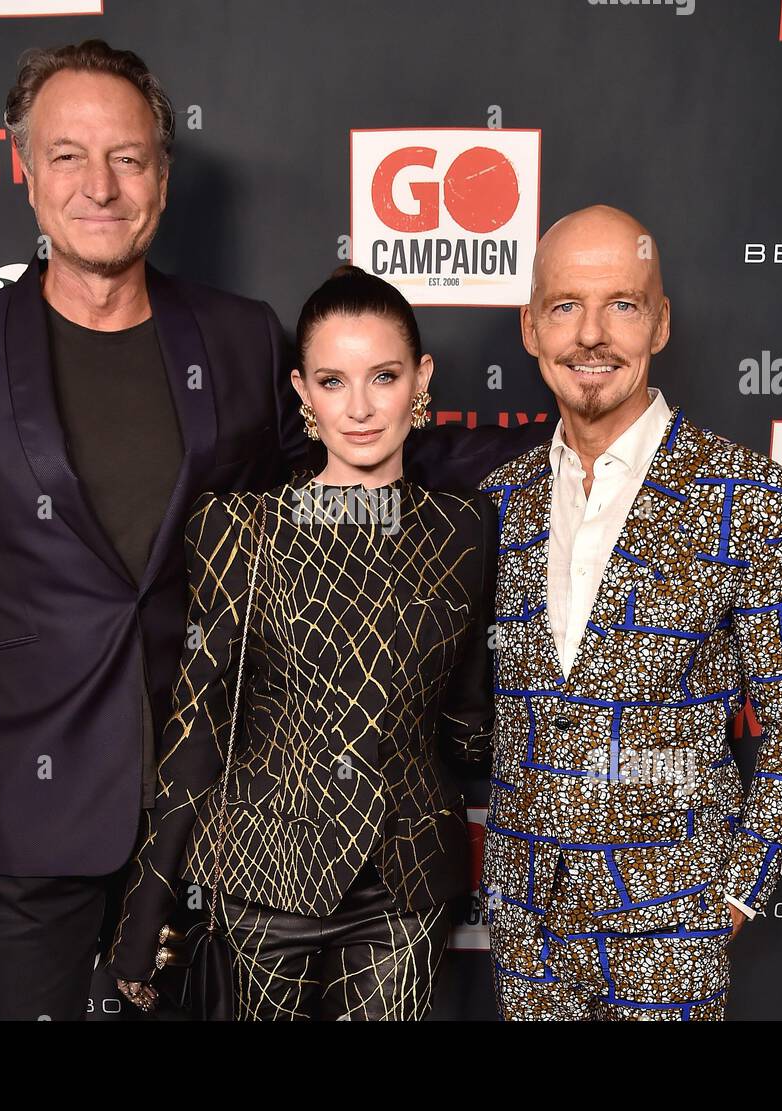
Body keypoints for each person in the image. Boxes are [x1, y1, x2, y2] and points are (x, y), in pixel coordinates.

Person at [0, 41, 549, 1021]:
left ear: (161, 173)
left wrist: (565, 446)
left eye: (128, 157)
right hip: (29, 816)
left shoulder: (236, 338)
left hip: (220, 817)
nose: (100, 186)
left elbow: (347, 457)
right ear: (25, 173)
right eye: (68, 155)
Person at [106, 266, 498, 1020]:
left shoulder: (464, 529)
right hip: (261, 876)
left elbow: (465, 714)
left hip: (406, 882)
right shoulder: (236, 528)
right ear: (301, 390)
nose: (358, 408)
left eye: (382, 377)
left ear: (422, 379)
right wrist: (143, 909)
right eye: (332, 380)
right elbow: (197, 732)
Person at [479, 205, 782, 1020]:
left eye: (624, 304)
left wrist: (736, 893)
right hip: (528, 934)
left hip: (673, 930)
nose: (592, 335)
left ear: (662, 322)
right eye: (566, 306)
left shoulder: (749, 496)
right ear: (530, 328)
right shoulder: (499, 503)